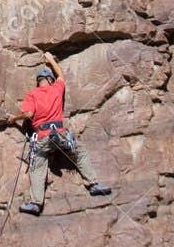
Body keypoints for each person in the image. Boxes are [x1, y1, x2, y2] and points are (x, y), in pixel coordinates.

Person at [10, 52, 111, 216]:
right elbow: (61, 76)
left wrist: (14, 118)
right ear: (50, 80)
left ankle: (36, 203)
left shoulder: (32, 94)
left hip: (42, 137)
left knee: (37, 167)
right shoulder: (56, 89)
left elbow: (28, 114)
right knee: (80, 151)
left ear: (39, 81)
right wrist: (51, 60)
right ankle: (93, 184)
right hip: (59, 134)